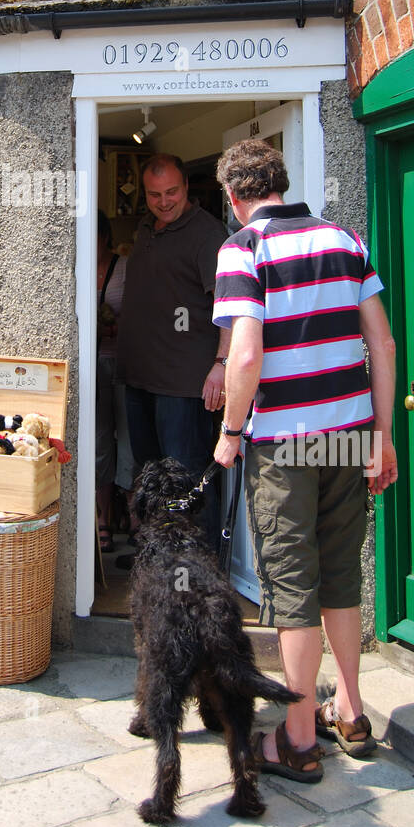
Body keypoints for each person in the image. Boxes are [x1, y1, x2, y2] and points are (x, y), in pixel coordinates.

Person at [212, 138, 398, 783]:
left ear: (234, 198)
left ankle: (296, 738)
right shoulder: (343, 239)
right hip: (347, 437)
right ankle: (349, 710)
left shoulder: (244, 248)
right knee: (341, 575)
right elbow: (383, 341)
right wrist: (383, 435)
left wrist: (231, 432)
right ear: (281, 184)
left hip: (285, 443)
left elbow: (243, 356)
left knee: (292, 587)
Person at [116, 154, 231, 556]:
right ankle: (162, 568)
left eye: (172, 192)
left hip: (185, 385)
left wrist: (221, 365)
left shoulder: (207, 234)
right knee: (150, 481)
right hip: (140, 379)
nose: (164, 201)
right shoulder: (146, 228)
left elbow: (229, 308)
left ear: (186, 187)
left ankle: (200, 573)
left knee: (188, 483)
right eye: (154, 194)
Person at [95, 210, 133, 552]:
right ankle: (101, 520)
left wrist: (117, 327)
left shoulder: (125, 267)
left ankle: (135, 520)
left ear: (105, 237)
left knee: (130, 439)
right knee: (99, 441)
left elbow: (143, 314)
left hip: (123, 364)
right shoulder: (74, 264)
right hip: (91, 367)